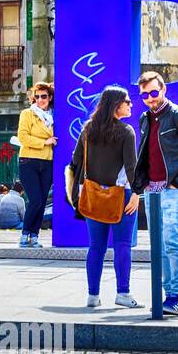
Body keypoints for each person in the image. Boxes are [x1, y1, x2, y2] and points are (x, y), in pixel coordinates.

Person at [132, 71, 178, 318]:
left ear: (163, 90)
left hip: (174, 189)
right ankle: (166, 297)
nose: (151, 99)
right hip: (152, 191)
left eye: (154, 92)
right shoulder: (145, 119)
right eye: (145, 95)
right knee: (159, 245)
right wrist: (140, 183)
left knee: (172, 241)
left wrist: (177, 184)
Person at [66, 86, 141, 309]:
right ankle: (123, 294)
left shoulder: (88, 129)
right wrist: (137, 194)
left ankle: (92, 295)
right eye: (127, 101)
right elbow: (131, 167)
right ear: (116, 104)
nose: (131, 105)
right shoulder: (126, 131)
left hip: (92, 194)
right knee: (123, 245)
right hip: (121, 195)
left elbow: (75, 161)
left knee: (96, 247)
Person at [16, 81, 57, 247]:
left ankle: (34, 236)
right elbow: (23, 137)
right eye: (37, 97)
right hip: (28, 161)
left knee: (42, 200)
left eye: (44, 96)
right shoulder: (27, 114)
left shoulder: (55, 116)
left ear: (50, 97)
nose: (40, 100)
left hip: (47, 162)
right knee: (35, 200)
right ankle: (24, 234)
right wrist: (45, 142)